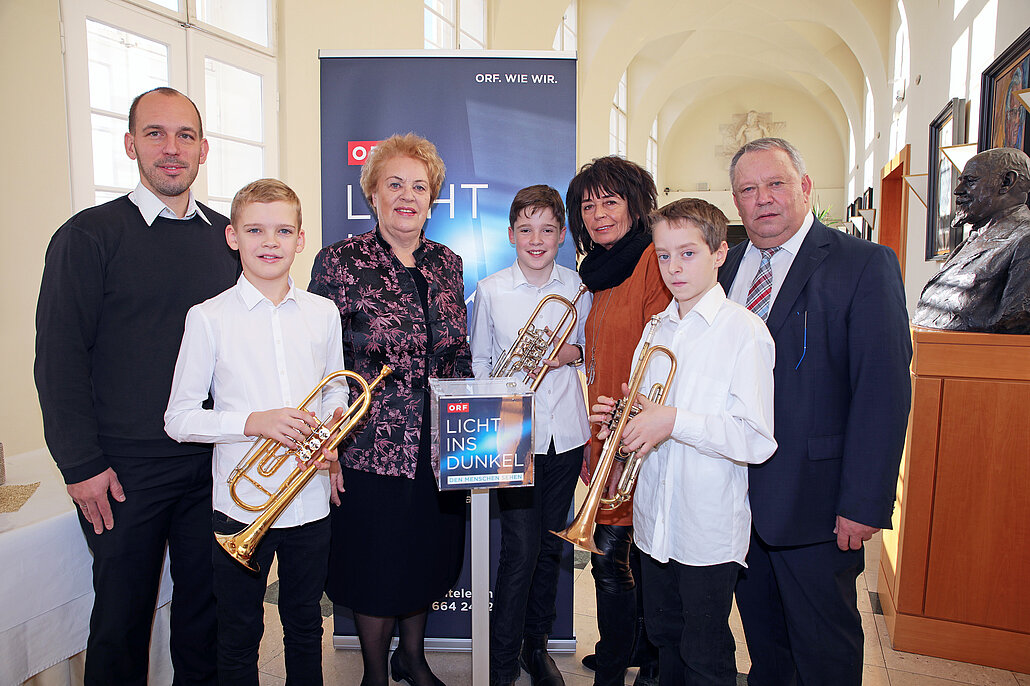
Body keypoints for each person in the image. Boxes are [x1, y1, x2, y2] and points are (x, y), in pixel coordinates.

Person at [34, 86, 240, 685]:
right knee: (121, 624)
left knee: (206, 618)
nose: (171, 148)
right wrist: (81, 464)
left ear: (203, 150)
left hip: (211, 461)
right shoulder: (88, 236)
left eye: (184, 136)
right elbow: (59, 359)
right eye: (155, 134)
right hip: (124, 473)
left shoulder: (228, 238)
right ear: (131, 145)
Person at [718, 138, 912, 686]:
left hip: (817, 503)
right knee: (765, 648)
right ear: (736, 201)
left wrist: (864, 501)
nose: (763, 198)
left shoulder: (863, 264)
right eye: (748, 189)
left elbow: (882, 392)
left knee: (824, 651)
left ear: (805, 187)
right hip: (733, 500)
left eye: (775, 183)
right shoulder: (723, 268)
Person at [164, 179, 348, 685]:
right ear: (232, 237)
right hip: (239, 505)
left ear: (300, 239)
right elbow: (178, 418)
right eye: (255, 230)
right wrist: (253, 422)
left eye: (283, 231)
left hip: (308, 500)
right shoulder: (208, 318)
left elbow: (335, 387)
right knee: (239, 632)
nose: (270, 242)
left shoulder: (323, 313)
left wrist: (333, 427)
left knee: (306, 626)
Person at [591, 198, 776, 685]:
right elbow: (645, 415)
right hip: (654, 522)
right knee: (665, 638)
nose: (674, 267)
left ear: (720, 253)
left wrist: (673, 422)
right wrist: (621, 424)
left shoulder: (744, 331)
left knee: (705, 652)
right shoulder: (655, 327)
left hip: (705, 529)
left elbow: (755, 438)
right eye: (664, 255)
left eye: (688, 253)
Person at [309, 133, 471, 686]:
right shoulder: (340, 262)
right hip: (368, 445)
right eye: (394, 184)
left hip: (440, 442)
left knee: (425, 553)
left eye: (419, 187)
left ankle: (413, 658)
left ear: (432, 198)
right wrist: (326, 447)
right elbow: (321, 360)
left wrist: (470, 435)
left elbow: (458, 353)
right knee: (376, 562)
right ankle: (375, 672)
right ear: (372, 194)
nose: (407, 196)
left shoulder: (448, 263)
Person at [469, 185, 593, 686]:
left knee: (550, 548)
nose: (536, 239)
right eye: (526, 230)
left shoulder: (579, 286)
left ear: (562, 235)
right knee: (519, 550)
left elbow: (589, 349)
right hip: (513, 433)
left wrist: (570, 354)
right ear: (511, 235)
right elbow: (479, 361)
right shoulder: (492, 289)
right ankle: (501, 662)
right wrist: (500, 390)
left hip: (566, 436)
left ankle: (535, 648)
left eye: (546, 230)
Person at [566, 156, 669, 686]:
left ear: (635, 206)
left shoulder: (652, 259)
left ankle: (635, 661)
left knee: (621, 556)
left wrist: (627, 435)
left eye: (610, 202)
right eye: (588, 205)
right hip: (605, 432)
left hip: (638, 435)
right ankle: (627, 649)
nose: (599, 214)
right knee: (622, 554)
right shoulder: (599, 273)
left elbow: (659, 355)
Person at [912, 147, 1030, 334]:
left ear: (1006, 182)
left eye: (971, 181)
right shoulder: (971, 241)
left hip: (978, 351)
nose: (958, 191)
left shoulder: (1024, 240)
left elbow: (1015, 318)